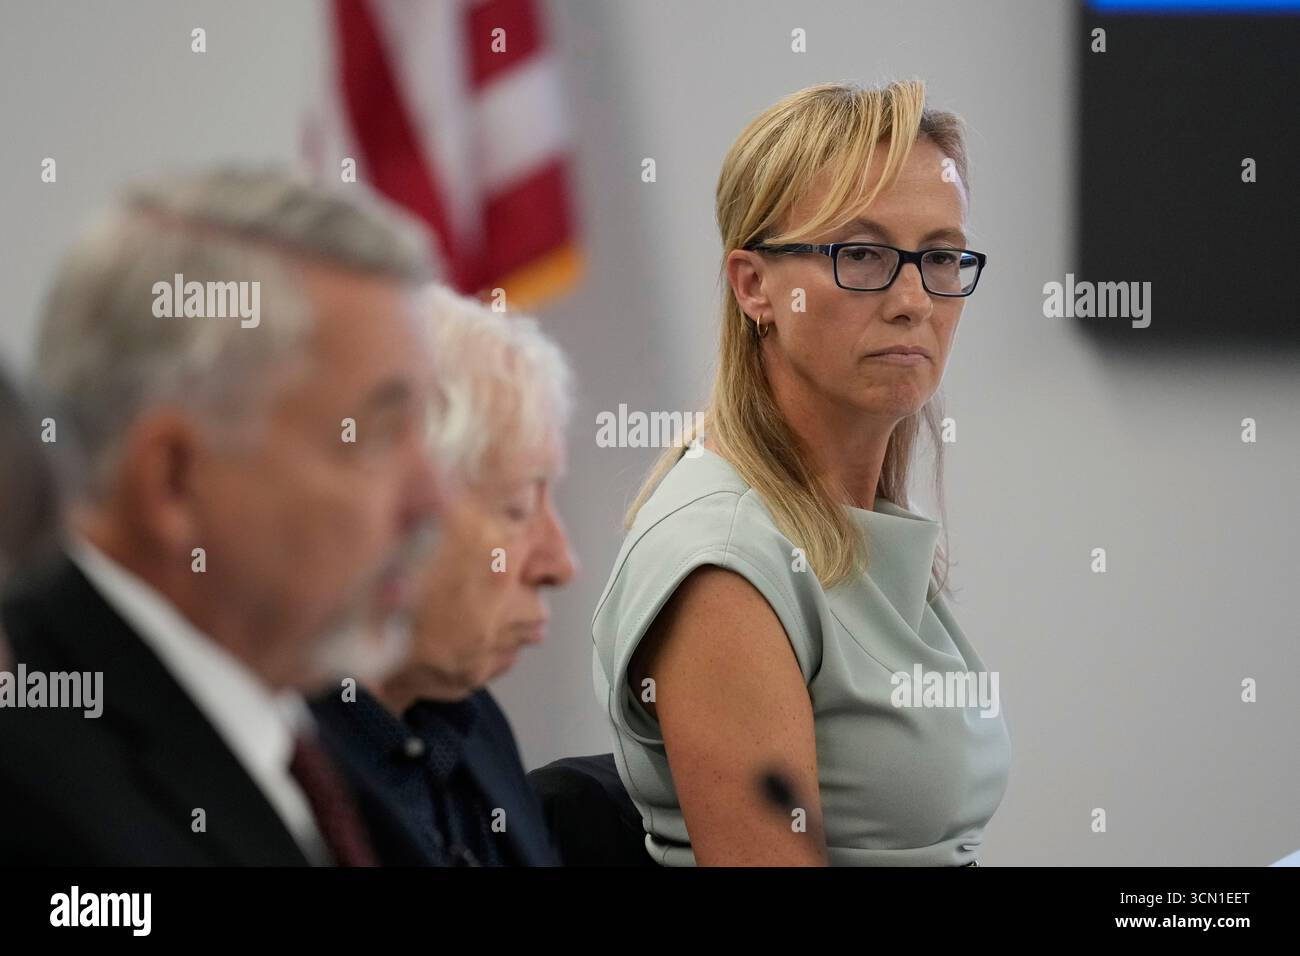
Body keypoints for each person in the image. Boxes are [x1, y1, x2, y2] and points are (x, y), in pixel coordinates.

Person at [592, 80, 1011, 866]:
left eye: (943, 256)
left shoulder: (857, 517)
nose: (915, 299)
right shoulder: (726, 559)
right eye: (861, 254)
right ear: (754, 286)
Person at [0, 168, 443, 865]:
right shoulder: (34, 796)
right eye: (376, 435)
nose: (432, 500)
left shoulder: (304, 747)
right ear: (174, 479)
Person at [312, 284, 577, 866]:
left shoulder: (466, 718)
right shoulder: (287, 774)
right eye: (516, 510)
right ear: (397, 506)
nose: (559, 564)